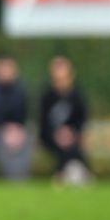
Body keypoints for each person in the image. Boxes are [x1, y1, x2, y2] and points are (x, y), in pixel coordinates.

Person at [39, 56, 91, 184]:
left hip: (72, 136)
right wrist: (57, 134)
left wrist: (71, 133)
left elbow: (82, 121)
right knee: (63, 146)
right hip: (50, 137)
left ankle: (64, 174)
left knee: (72, 145)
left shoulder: (78, 96)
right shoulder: (46, 96)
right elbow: (43, 124)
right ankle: (73, 173)